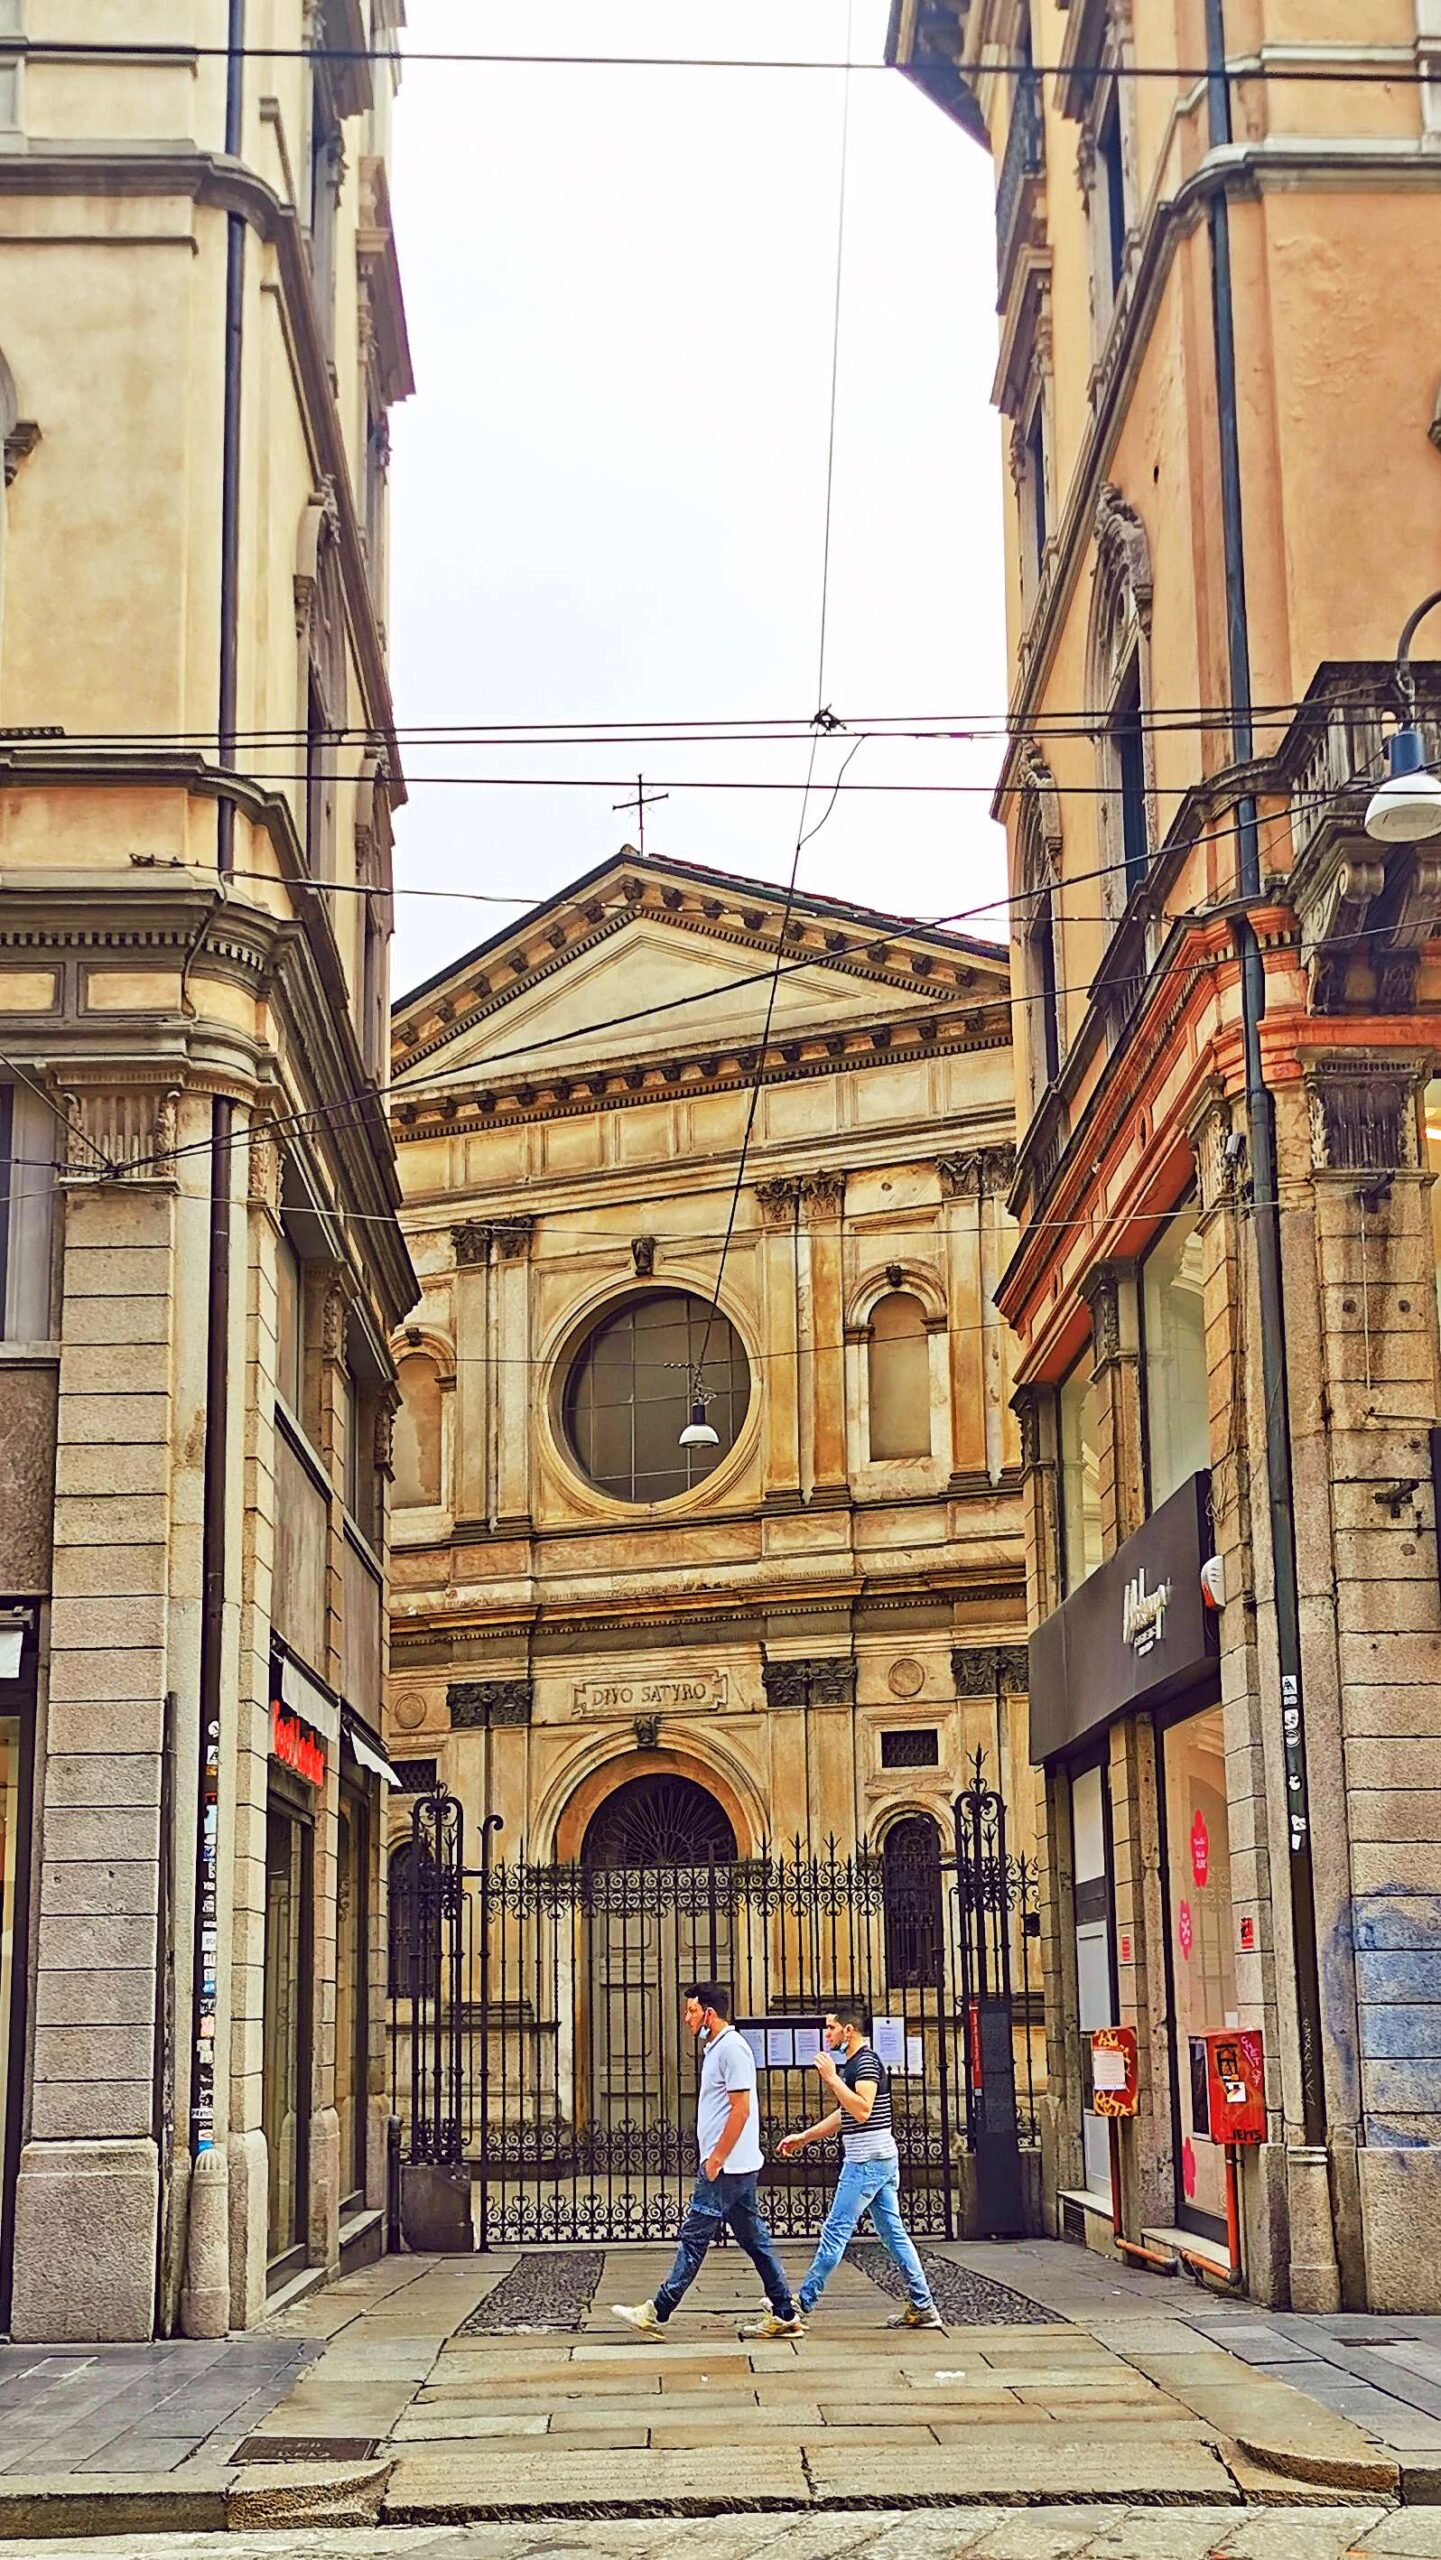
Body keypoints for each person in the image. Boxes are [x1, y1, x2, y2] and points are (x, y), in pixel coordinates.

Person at [612, 1982, 803, 2340]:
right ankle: (784, 2311)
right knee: (755, 2240)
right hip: (735, 2164)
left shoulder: (732, 2049)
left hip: (727, 2167)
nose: (686, 2018)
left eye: (692, 2011)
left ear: (709, 2014)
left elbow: (741, 2109)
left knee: (694, 2237)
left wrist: (716, 2158)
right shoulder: (718, 2048)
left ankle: (657, 2310)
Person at [753, 1998, 943, 2332]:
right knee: (893, 2234)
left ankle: (801, 2303)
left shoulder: (864, 2063)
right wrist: (805, 2137)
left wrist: (830, 2079)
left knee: (835, 2230)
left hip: (866, 2161)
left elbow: (862, 2110)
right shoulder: (857, 2063)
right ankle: (923, 2305)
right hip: (878, 2158)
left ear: (848, 2030)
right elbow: (846, 2115)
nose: (827, 2034)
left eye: (831, 2028)